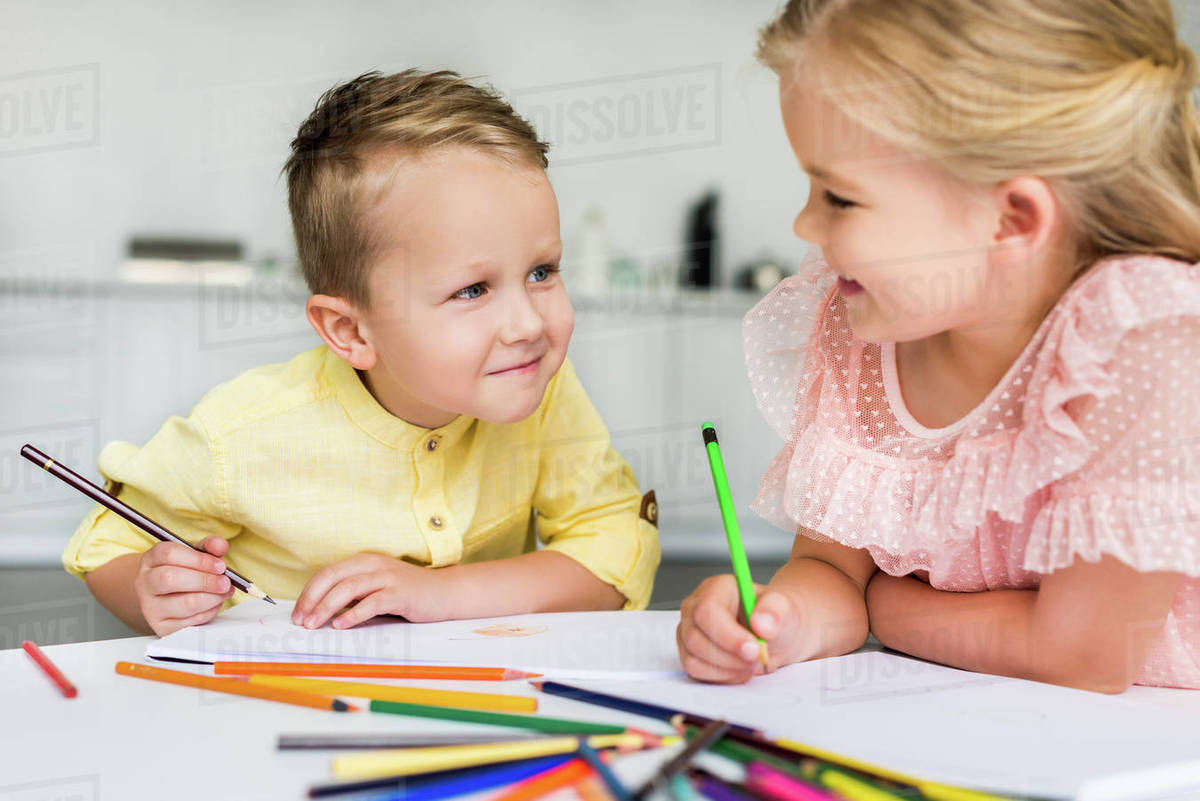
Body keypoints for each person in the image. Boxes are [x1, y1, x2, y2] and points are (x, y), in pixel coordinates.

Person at [678, 0, 1200, 692]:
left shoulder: (1137, 338)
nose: (804, 223)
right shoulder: (864, 332)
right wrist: (779, 618)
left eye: (839, 197)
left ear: (1011, 218)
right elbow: (835, 572)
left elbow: (1082, 656)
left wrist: (886, 607)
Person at [64, 70, 660, 637]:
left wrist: (443, 595)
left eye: (542, 271)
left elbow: (613, 543)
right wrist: (151, 593)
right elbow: (110, 547)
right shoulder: (238, 433)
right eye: (472, 290)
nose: (529, 323)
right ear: (350, 331)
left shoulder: (540, 387)